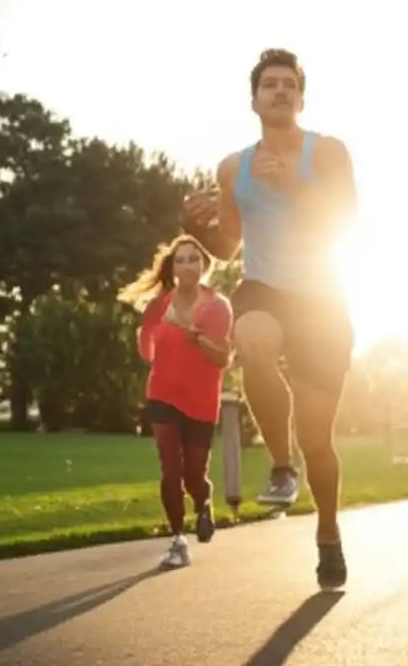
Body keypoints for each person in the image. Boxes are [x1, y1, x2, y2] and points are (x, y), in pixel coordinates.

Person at [181, 48, 357, 590]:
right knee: (252, 339)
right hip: (264, 287)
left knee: (319, 438)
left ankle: (328, 531)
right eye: (269, 85)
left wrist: (291, 185)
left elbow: (346, 216)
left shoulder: (326, 151)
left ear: (301, 98)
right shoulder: (233, 167)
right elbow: (228, 246)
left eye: (288, 85)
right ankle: (281, 466)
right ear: (254, 99)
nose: (279, 91)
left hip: (323, 299)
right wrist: (199, 224)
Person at [119, 235, 233, 569]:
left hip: (201, 400)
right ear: (173, 267)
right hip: (164, 395)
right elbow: (146, 351)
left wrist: (193, 335)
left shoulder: (216, 306)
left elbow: (221, 358)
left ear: (204, 266)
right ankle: (177, 540)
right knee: (171, 470)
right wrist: (150, 338)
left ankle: (204, 502)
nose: (188, 265)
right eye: (181, 259)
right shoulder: (158, 306)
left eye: (194, 259)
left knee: (193, 474)